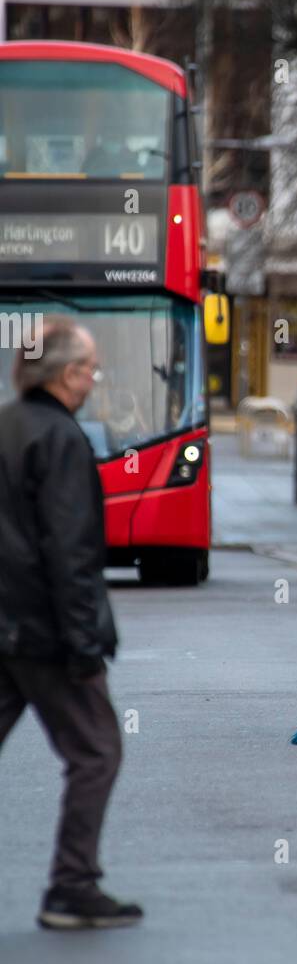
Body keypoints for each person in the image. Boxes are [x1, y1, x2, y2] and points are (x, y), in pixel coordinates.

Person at [0, 317, 143, 930]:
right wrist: (84, 643)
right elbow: (70, 552)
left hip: (4, 628)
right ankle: (72, 885)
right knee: (97, 751)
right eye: (88, 369)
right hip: (44, 635)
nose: (92, 380)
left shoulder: (5, 426)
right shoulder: (60, 439)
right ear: (65, 374)